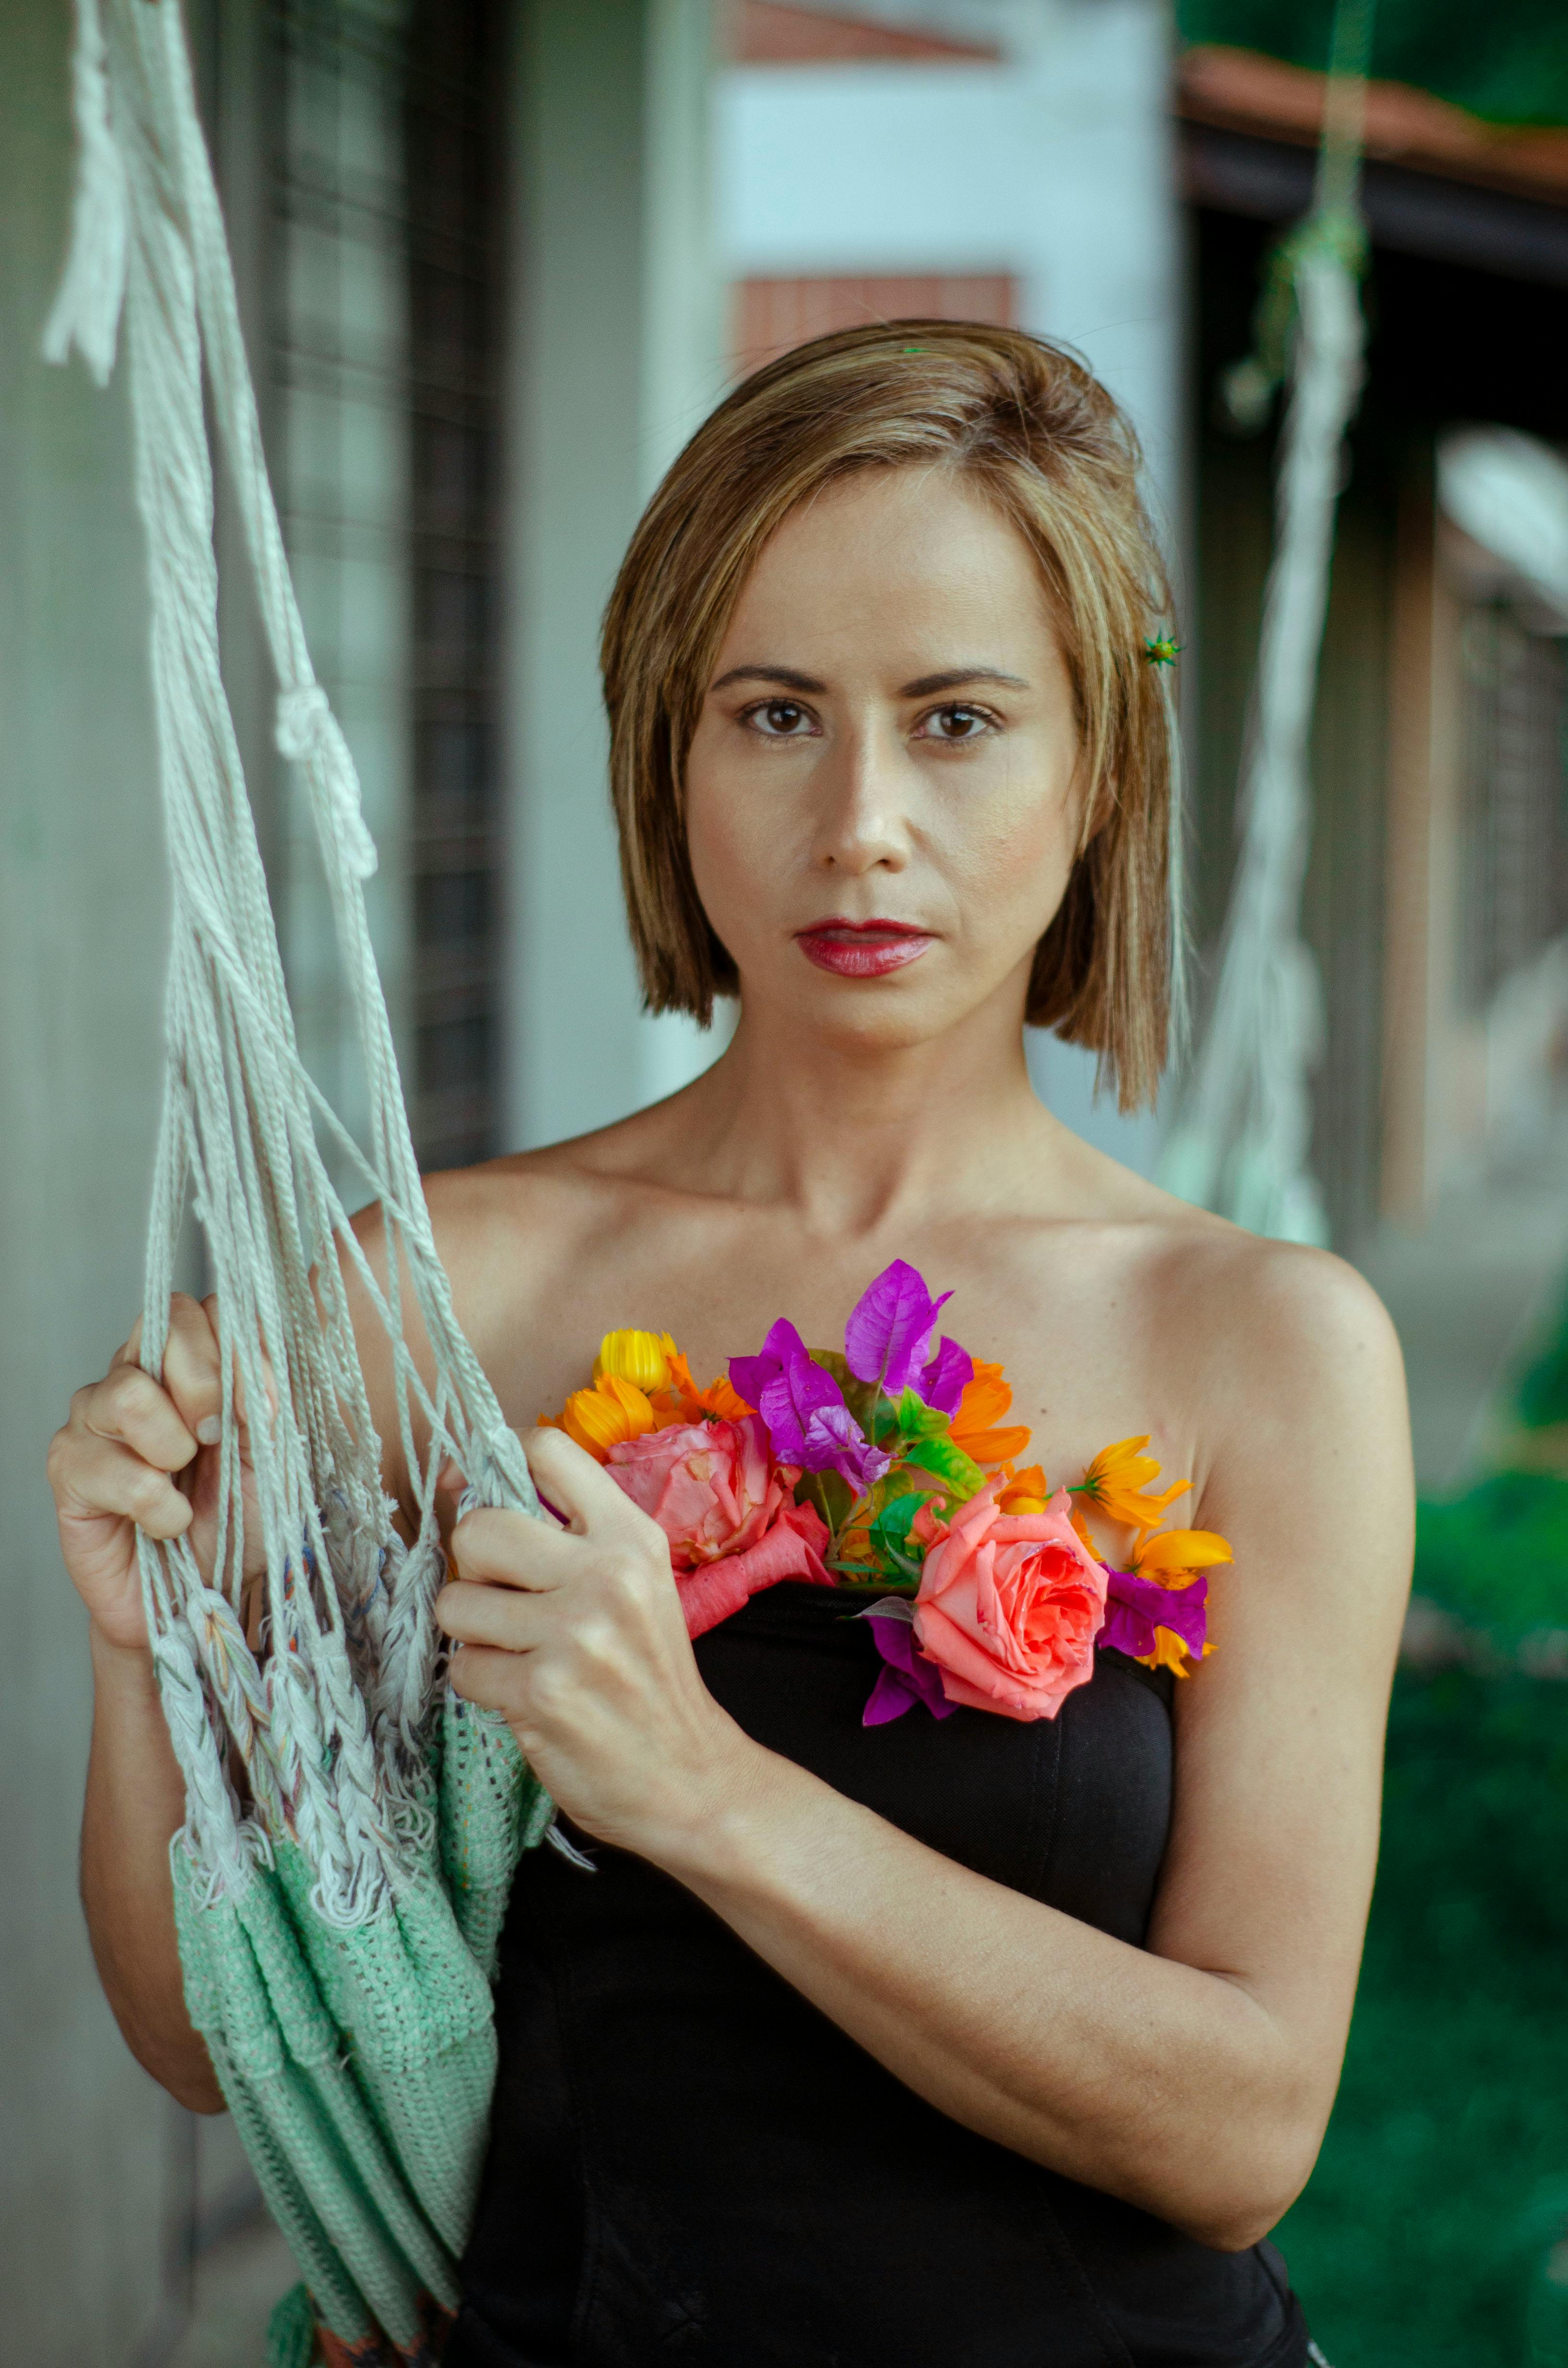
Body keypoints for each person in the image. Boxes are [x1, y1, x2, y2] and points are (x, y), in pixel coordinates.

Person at [49, 323, 1411, 2367]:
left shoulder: (1262, 1345)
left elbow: (1244, 2131)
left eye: (957, 720)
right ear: (666, 757)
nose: (861, 820)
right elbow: (209, 2043)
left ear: (1097, 771)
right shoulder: (436, 1297)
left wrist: (703, 1790)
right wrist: (138, 1647)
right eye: (776, 714)